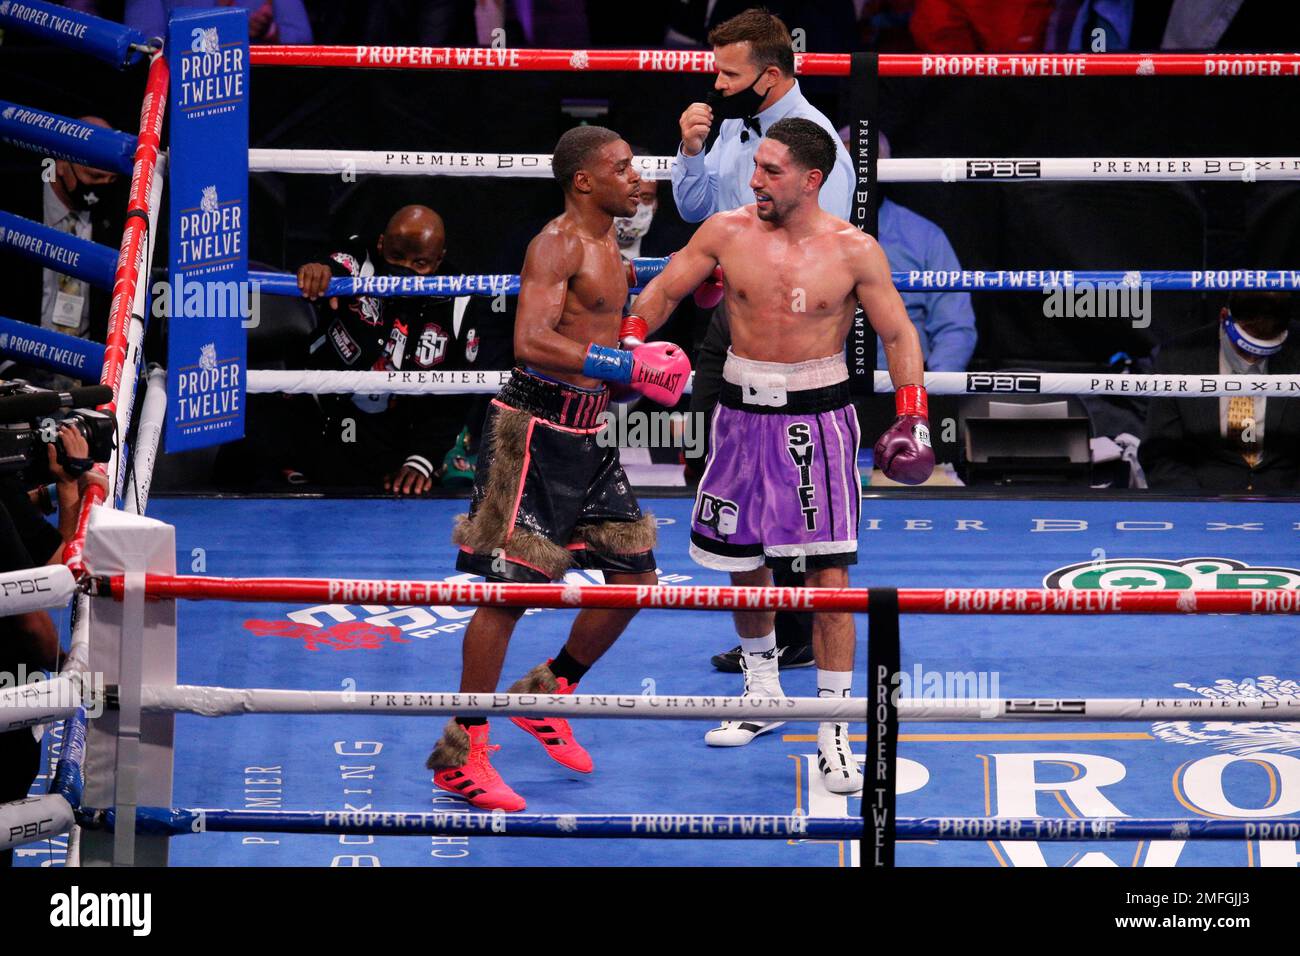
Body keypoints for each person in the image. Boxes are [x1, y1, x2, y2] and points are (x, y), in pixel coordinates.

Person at [632, 118, 933, 794]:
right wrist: (626, 340)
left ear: (811, 180)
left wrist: (914, 415)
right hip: (739, 416)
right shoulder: (727, 232)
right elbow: (665, 291)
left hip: (819, 420)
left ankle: (833, 731)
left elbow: (897, 332)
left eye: (771, 171)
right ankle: (762, 692)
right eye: (757, 167)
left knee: (829, 582)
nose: (756, 180)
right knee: (744, 564)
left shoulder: (853, 251)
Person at [425, 126, 691, 812]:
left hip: (588, 431)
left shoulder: (613, 246)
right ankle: (463, 753)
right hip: (532, 429)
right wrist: (623, 364)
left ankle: (546, 692)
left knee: (636, 575)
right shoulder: (558, 244)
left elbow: (599, 335)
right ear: (584, 182)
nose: (637, 178)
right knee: (508, 593)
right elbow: (531, 341)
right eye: (623, 168)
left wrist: (634, 357)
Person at [672, 7, 855, 673]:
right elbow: (697, 212)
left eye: (729, 72)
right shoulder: (730, 127)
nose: (717, 83)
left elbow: (823, 254)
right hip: (728, 315)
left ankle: (802, 635)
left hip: (790, 326)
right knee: (732, 475)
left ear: (770, 76)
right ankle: (769, 637)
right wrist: (691, 153)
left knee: (794, 481)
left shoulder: (815, 150)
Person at [296, 204, 504, 494]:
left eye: (419, 264)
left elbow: (456, 396)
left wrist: (422, 459)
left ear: (438, 261)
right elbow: (335, 263)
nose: (404, 272)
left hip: (399, 436)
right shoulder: (360, 263)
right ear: (381, 244)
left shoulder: (457, 301)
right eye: (396, 256)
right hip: (325, 420)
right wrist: (320, 272)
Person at [1140, 291, 1300, 492]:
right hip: (1202, 501)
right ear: (1224, 317)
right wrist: (1197, 509)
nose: (1251, 361)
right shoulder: (1177, 358)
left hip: (1288, 501)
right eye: (1244, 349)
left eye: (1264, 352)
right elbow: (1159, 454)